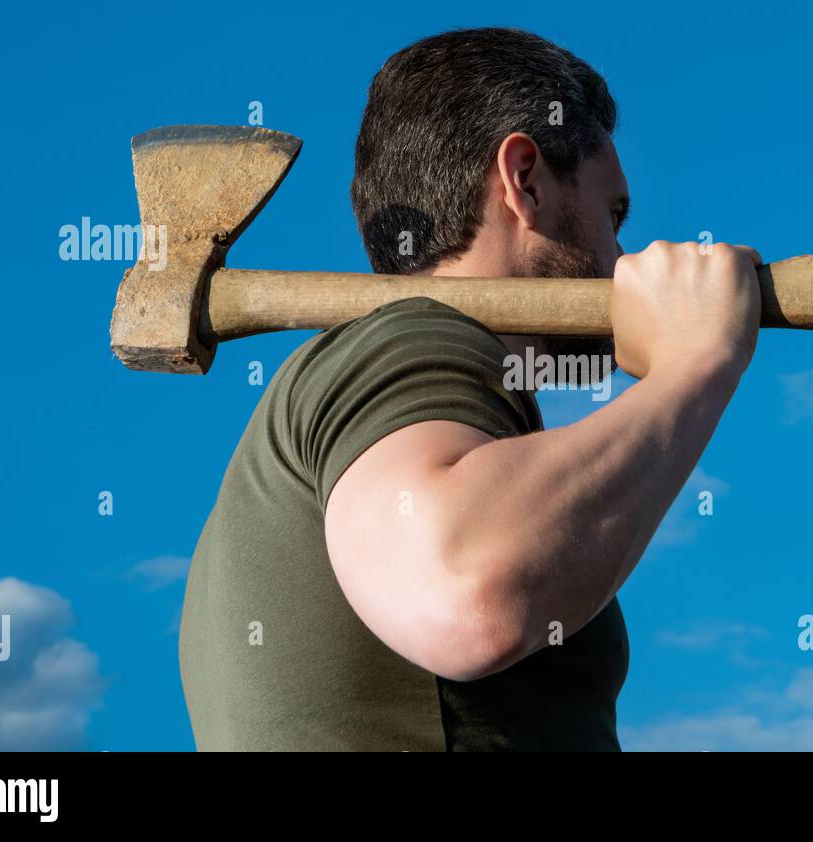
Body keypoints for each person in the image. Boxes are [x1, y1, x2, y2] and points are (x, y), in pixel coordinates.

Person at [179, 27, 762, 751]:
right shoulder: (405, 342)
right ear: (525, 179)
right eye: (612, 215)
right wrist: (696, 363)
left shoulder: (387, 389)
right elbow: (465, 591)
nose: (620, 258)